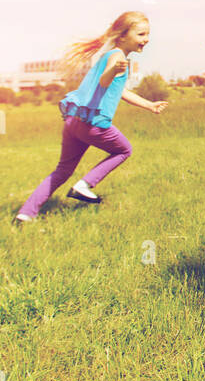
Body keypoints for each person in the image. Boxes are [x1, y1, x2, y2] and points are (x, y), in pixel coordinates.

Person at [14, 12, 167, 223]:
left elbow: (120, 91)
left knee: (63, 169)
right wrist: (114, 70)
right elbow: (105, 82)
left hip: (75, 121)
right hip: (93, 124)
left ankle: (25, 214)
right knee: (124, 150)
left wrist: (149, 105)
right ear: (122, 37)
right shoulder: (117, 58)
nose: (146, 39)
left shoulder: (110, 56)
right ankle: (83, 186)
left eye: (147, 34)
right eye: (141, 34)